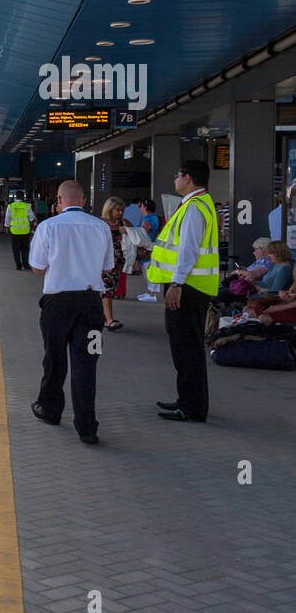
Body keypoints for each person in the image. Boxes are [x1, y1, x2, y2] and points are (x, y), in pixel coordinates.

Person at [28, 179, 113, 445]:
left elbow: (37, 268)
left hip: (56, 306)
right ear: (85, 201)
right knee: (88, 363)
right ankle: (87, 427)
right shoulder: (102, 227)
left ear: (59, 202)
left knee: (54, 359)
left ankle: (51, 410)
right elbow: (106, 267)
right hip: (91, 306)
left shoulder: (47, 227)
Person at [146, 160, 218, 423]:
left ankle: (192, 407)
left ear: (188, 178)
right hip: (192, 287)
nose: (175, 180)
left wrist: (176, 285)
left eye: (178, 175)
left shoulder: (193, 208)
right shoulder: (200, 204)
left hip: (187, 288)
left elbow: (188, 250)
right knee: (186, 347)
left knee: (186, 348)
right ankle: (187, 399)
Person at [99, 197, 131, 330]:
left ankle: (105, 317)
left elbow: (136, 236)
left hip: (119, 262)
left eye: (122, 209)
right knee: (107, 290)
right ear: (109, 209)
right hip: (104, 261)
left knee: (110, 291)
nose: (120, 212)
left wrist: (128, 231)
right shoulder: (101, 224)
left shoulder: (123, 222)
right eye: (117, 209)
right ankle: (109, 320)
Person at [6, 191, 35, 270]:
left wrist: (7, 228)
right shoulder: (27, 206)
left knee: (16, 249)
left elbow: (7, 219)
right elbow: (32, 219)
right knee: (25, 249)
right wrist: (32, 228)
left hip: (14, 231)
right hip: (25, 231)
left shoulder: (10, 206)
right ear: (23, 197)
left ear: (16, 197)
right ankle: (26, 265)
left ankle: (18, 266)